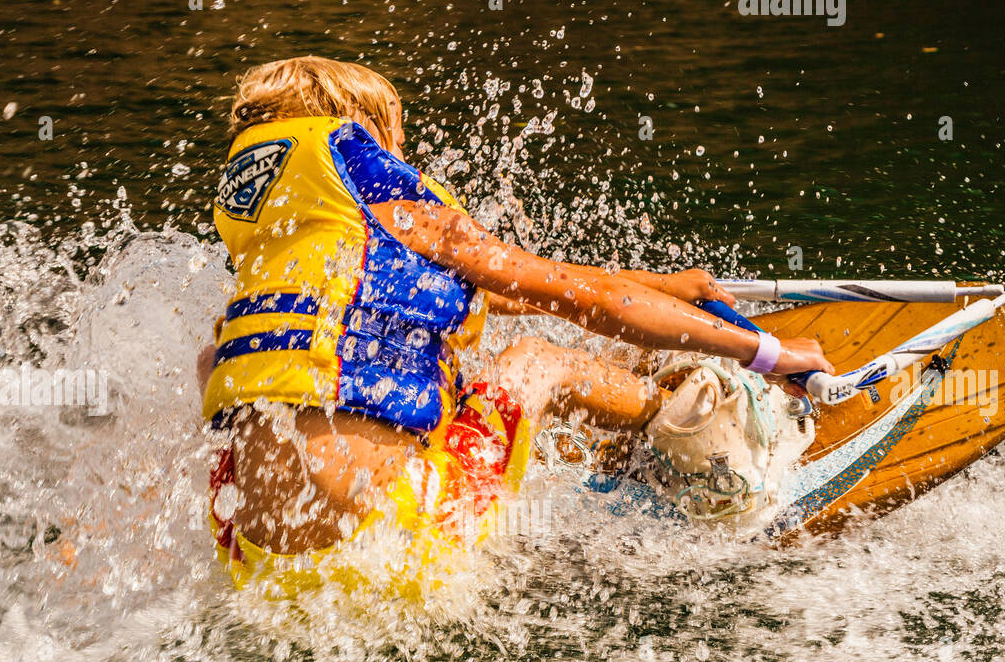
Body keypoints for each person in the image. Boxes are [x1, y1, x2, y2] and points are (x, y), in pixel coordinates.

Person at [197, 55, 831, 592]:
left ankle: (628, 444)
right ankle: (708, 446)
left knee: (223, 363)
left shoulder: (285, 254)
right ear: (357, 137)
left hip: (263, 569)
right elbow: (581, 299)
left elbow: (500, 292)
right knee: (535, 361)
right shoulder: (376, 185)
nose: (405, 160)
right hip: (394, 540)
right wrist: (767, 350)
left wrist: (662, 288)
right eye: (393, 140)